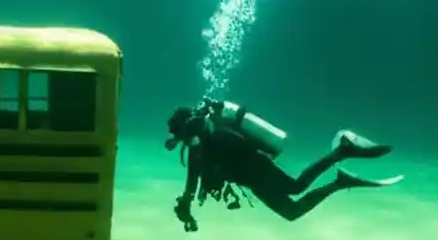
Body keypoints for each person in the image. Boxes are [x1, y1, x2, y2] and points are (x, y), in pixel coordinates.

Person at [166, 99, 402, 231]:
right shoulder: (200, 151)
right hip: (252, 180)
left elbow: (240, 154)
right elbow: (192, 184)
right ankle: (340, 181)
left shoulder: (216, 137)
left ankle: (342, 151)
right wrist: (187, 211)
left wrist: (217, 172)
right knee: (292, 212)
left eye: (187, 133)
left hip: (256, 169)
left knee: (296, 187)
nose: (189, 139)